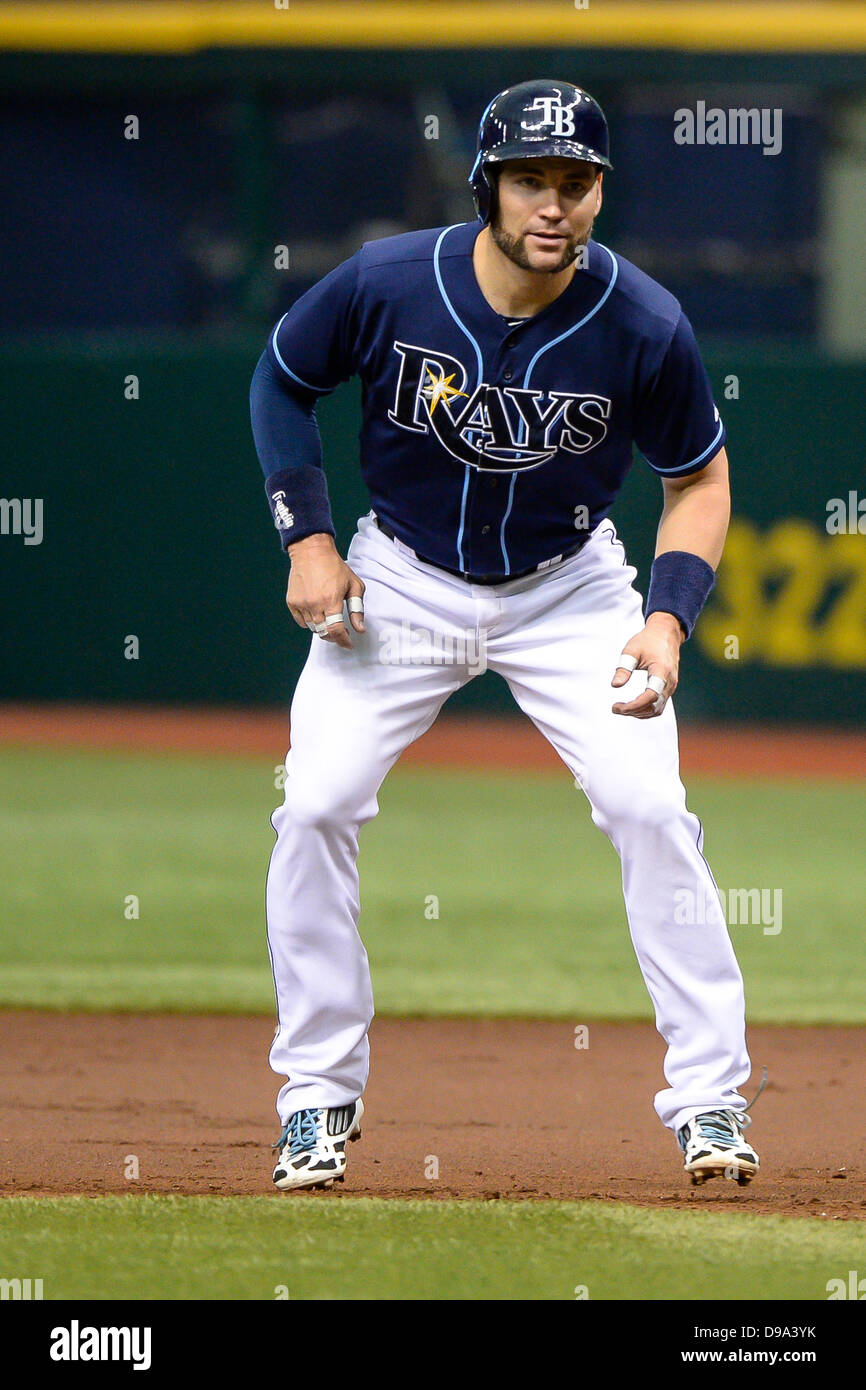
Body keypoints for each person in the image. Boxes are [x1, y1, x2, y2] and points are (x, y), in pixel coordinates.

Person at [249, 79, 760, 1193]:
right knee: (316, 802)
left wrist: (668, 618)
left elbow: (699, 480)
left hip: (567, 592)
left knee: (647, 806)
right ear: (488, 183)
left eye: (575, 183)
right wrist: (308, 539)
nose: (553, 205)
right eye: (531, 179)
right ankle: (314, 1102)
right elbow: (282, 380)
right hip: (401, 582)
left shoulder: (641, 321)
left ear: (596, 195)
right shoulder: (392, 281)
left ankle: (711, 1098)